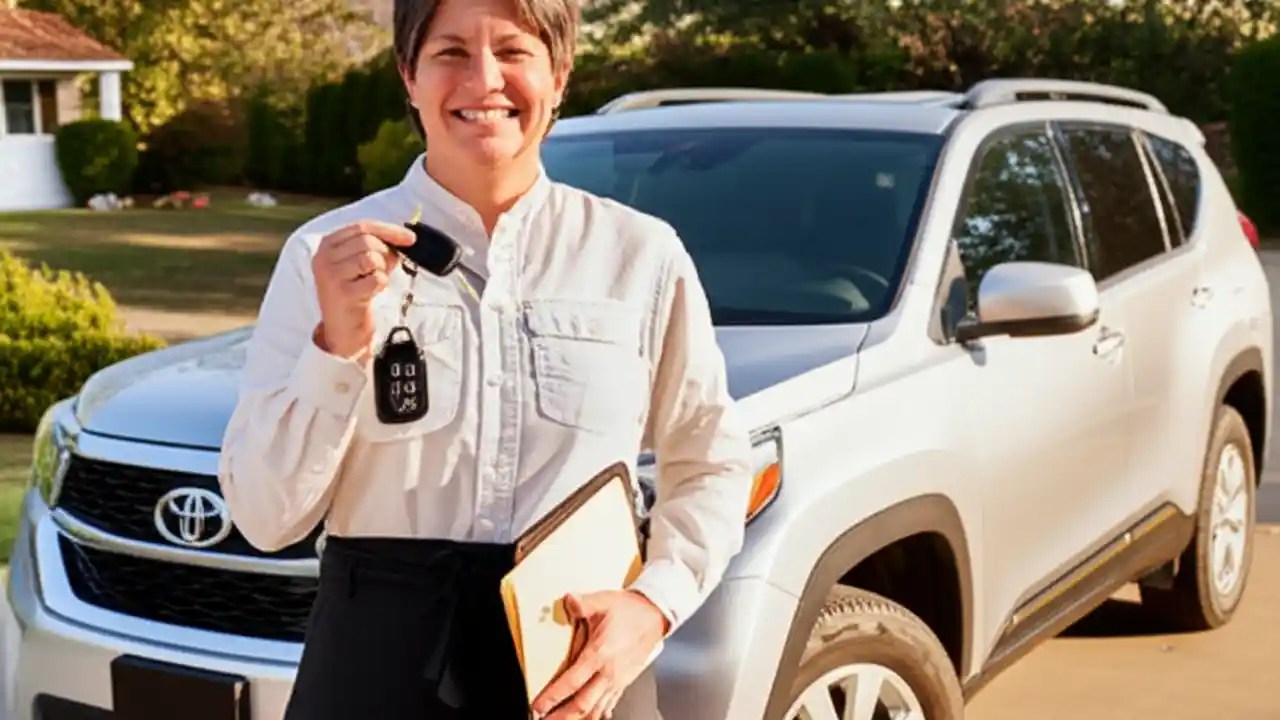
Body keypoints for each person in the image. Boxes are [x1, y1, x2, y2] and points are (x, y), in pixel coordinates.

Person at [216, 0, 754, 717]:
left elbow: (711, 461)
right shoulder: (322, 257)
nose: (485, 79)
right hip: (374, 668)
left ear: (559, 76)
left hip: (574, 667)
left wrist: (653, 606)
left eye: (513, 50)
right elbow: (264, 517)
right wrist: (338, 346)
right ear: (408, 76)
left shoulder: (640, 256)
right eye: (450, 54)